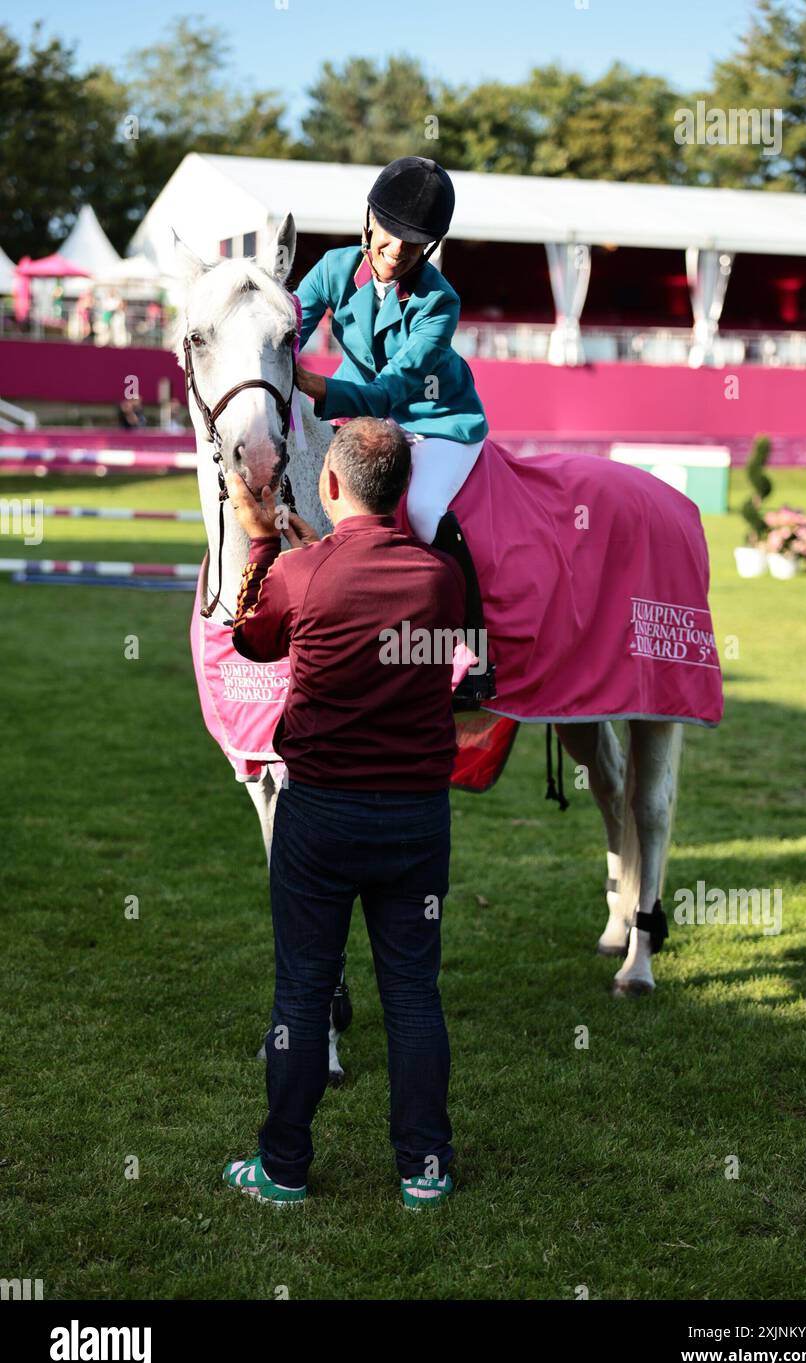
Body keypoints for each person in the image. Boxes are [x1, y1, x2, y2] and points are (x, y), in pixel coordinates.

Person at [222, 417, 464, 1210]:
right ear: (401, 493)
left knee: (301, 995)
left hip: (320, 816)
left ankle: (283, 1167)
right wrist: (304, 555)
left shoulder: (304, 572)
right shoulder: (440, 578)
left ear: (328, 486)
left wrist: (268, 549)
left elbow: (254, 642)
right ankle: (424, 1168)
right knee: (414, 996)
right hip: (416, 820)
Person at [293, 155, 495, 709]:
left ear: (428, 247)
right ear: (368, 220)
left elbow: (390, 389)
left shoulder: (439, 301)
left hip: (437, 420)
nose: (396, 250)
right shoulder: (334, 268)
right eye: (389, 234)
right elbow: (292, 328)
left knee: (425, 511)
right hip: (359, 419)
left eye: (412, 242)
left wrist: (312, 384)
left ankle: (472, 653)